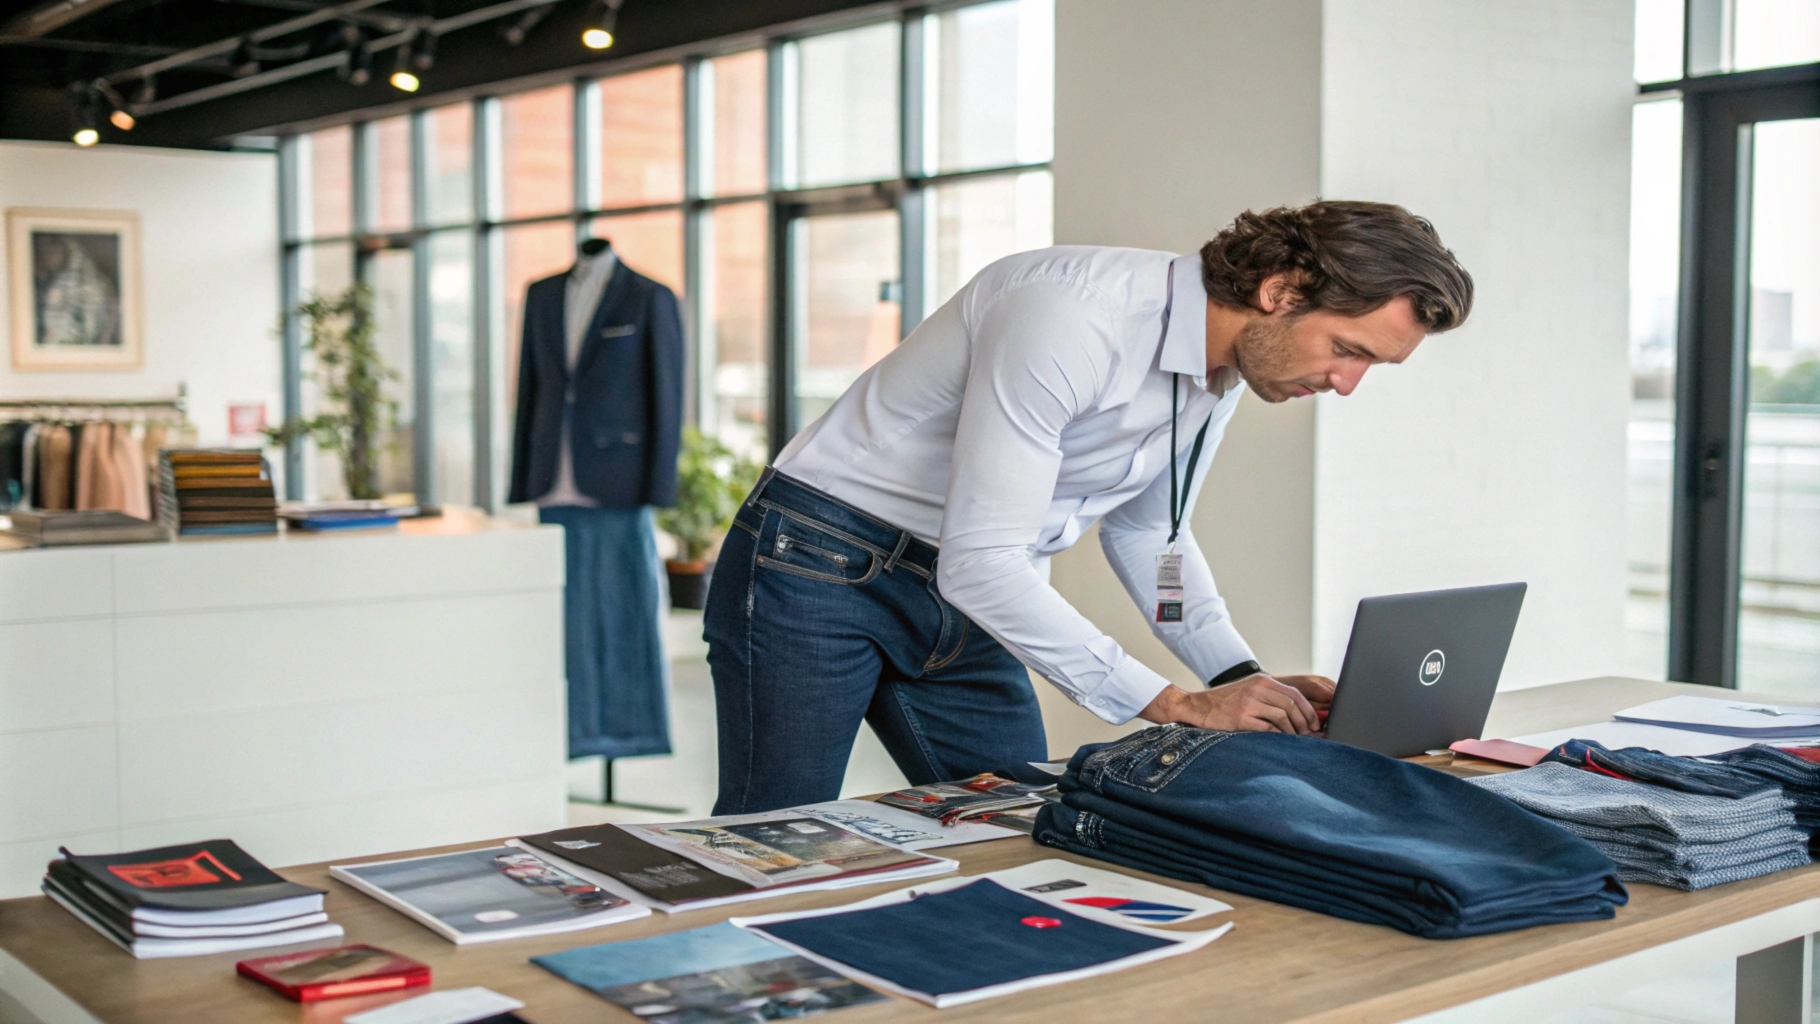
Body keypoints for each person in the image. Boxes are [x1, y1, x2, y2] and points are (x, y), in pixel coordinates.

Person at [705, 201, 1474, 814]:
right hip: (819, 558)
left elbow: (1151, 536)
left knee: (1019, 822)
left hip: (974, 596)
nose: (1347, 384)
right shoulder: (1073, 315)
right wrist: (1178, 704)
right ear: (1280, 292)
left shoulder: (1220, 375)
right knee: (773, 829)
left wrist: (1242, 678)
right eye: (1351, 349)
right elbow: (983, 563)